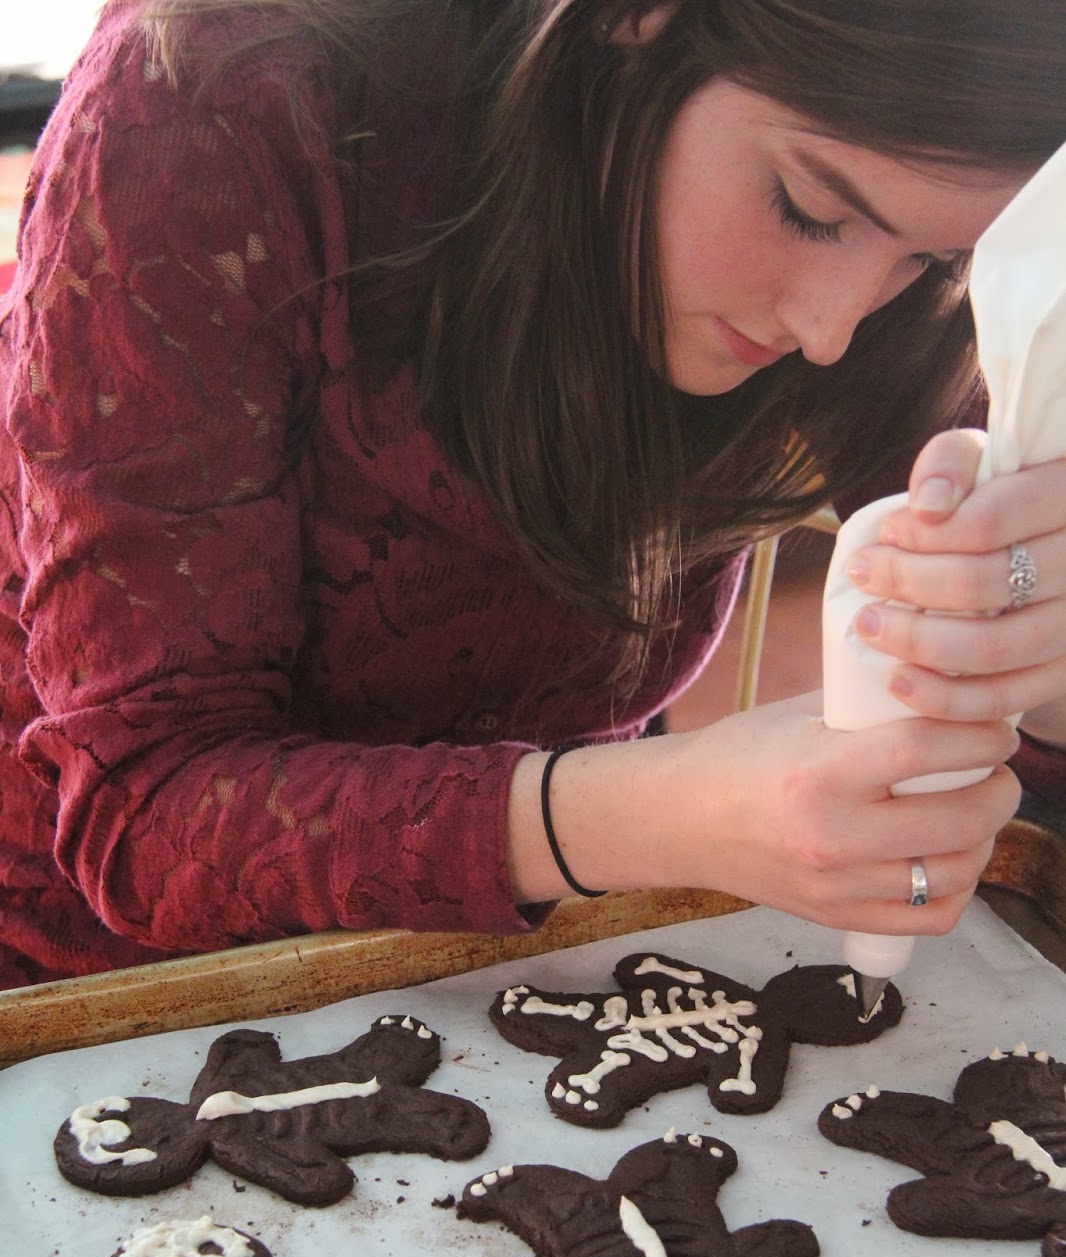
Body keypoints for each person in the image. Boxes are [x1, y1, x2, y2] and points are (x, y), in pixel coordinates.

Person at [0, 0, 1064, 992]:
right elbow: (146, 815)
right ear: (638, 17)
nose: (833, 329)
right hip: (93, 993)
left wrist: (1031, 640)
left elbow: (989, 570)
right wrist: (662, 813)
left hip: (515, 959)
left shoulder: (879, 231)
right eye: (807, 208)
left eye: (929, 260)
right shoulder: (208, 103)